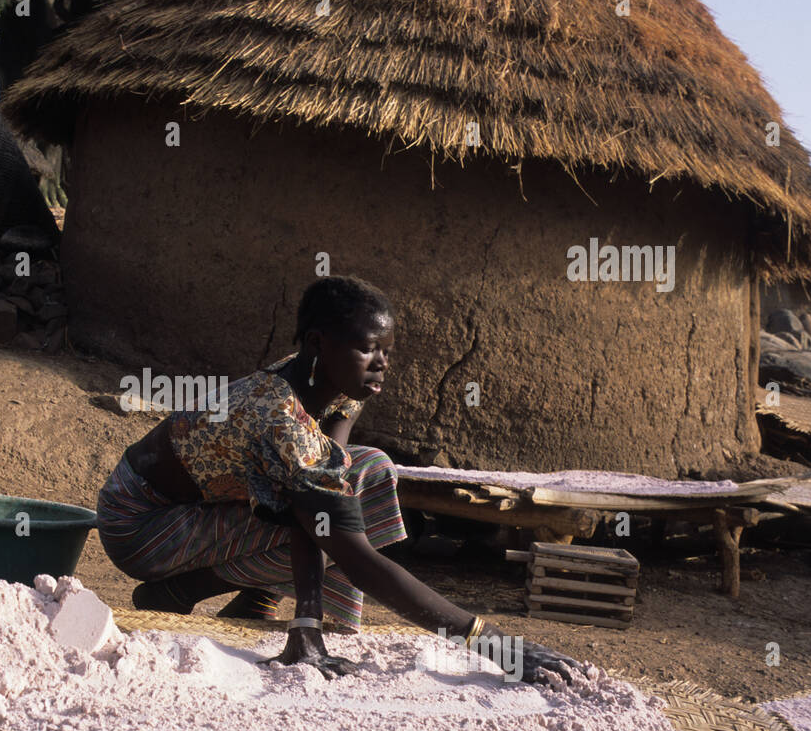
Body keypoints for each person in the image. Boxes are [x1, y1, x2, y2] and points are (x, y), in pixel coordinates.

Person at [96, 275, 586, 685]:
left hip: (202, 511)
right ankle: (179, 591)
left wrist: (307, 623)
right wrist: (493, 643)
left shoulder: (337, 389)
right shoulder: (278, 413)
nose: (382, 363)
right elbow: (351, 551)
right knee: (338, 504)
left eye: (387, 350)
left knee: (366, 468)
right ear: (317, 345)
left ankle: (259, 598)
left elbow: (324, 499)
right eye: (368, 348)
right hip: (141, 525)